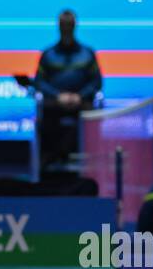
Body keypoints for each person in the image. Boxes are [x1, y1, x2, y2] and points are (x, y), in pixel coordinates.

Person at [32, 10, 102, 168]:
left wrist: (80, 96)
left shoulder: (87, 54)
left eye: (69, 25)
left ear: (74, 26)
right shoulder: (48, 55)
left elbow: (96, 82)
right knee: (46, 118)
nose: (66, 28)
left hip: (82, 105)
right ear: (58, 26)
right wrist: (58, 96)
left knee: (90, 115)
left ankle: (90, 165)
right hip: (55, 105)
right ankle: (49, 165)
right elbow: (39, 82)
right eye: (63, 25)